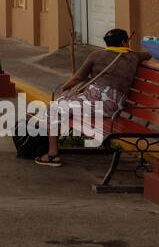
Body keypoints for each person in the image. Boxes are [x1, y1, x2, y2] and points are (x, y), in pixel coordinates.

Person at [34, 28, 149, 167]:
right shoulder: (134, 57)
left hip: (100, 103)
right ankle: (52, 142)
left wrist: (65, 87)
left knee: (55, 107)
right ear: (124, 42)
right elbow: (148, 55)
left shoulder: (97, 55)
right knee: (61, 104)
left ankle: (52, 155)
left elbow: (78, 77)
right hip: (112, 104)